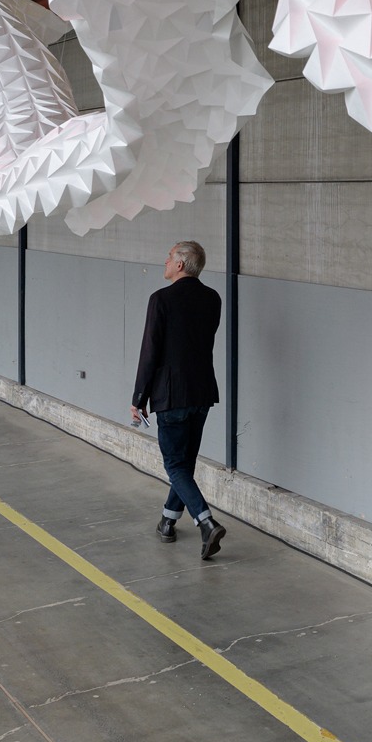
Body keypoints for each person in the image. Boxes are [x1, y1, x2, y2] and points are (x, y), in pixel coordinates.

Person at [128, 240, 228, 559]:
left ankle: (205, 521)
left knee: (174, 463)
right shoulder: (213, 299)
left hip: (170, 395)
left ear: (181, 264)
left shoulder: (161, 300)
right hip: (201, 393)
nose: (166, 260)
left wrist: (139, 397)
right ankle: (168, 523)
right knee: (184, 464)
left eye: (169, 256)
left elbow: (150, 353)